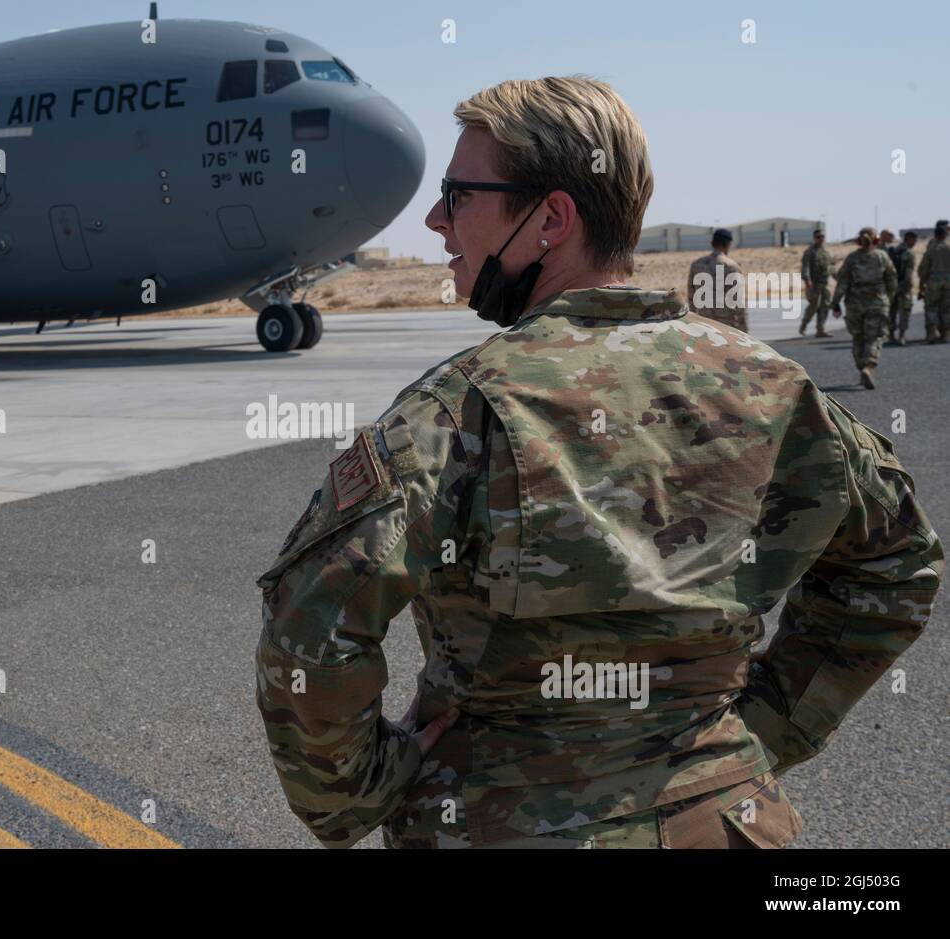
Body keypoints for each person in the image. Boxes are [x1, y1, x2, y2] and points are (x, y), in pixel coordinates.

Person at [253, 76, 942, 850]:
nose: (437, 219)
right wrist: (756, 734)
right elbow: (898, 562)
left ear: (550, 217)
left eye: (459, 193)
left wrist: (368, 789)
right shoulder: (776, 387)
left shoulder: (459, 408)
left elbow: (310, 632)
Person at [831, 227, 897, 388]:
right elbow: (892, 280)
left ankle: (861, 367)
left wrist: (835, 303)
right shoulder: (882, 257)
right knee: (874, 338)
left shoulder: (852, 259)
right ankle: (868, 366)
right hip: (877, 303)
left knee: (858, 337)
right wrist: (889, 299)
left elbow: (842, 283)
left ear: (858, 241)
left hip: (855, 304)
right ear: (876, 240)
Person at [687, 228, 747, 331]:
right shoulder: (731, 266)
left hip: (704, 324)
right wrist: (743, 331)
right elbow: (738, 301)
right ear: (727, 244)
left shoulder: (697, 265)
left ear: (712, 243)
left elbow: (691, 297)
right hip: (726, 326)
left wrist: (694, 322)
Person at [918, 220, 950, 343]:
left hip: (934, 281)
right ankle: (946, 334)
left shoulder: (931, 249)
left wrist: (922, 285)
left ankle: (932, 333)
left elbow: (923, 269)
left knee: (931, 307)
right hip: (948, 281)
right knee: (947, 308)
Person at [799, 229, 833, 337]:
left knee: (825, 306)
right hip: (814, 284)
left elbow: (830, 267)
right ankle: (803, 326)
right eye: (818, 237)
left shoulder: (825, 252)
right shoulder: (809, 252)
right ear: (814, 238)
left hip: (824, 284)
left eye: (822, 236)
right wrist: (807, 280)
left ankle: (820, 329)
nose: (821, 239)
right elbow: (805, 267)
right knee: (813, 306)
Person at [888, 231, 918, 344]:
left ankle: (890, 335)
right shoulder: (909, 253)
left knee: (892, 311)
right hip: (903, 285)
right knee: (904, 311)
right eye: (914, 240)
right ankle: (902, 336)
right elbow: (909, 273)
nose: (915, 243)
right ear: (909, 239)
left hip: (892, 286)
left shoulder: (893, 250)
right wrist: (908, 286)